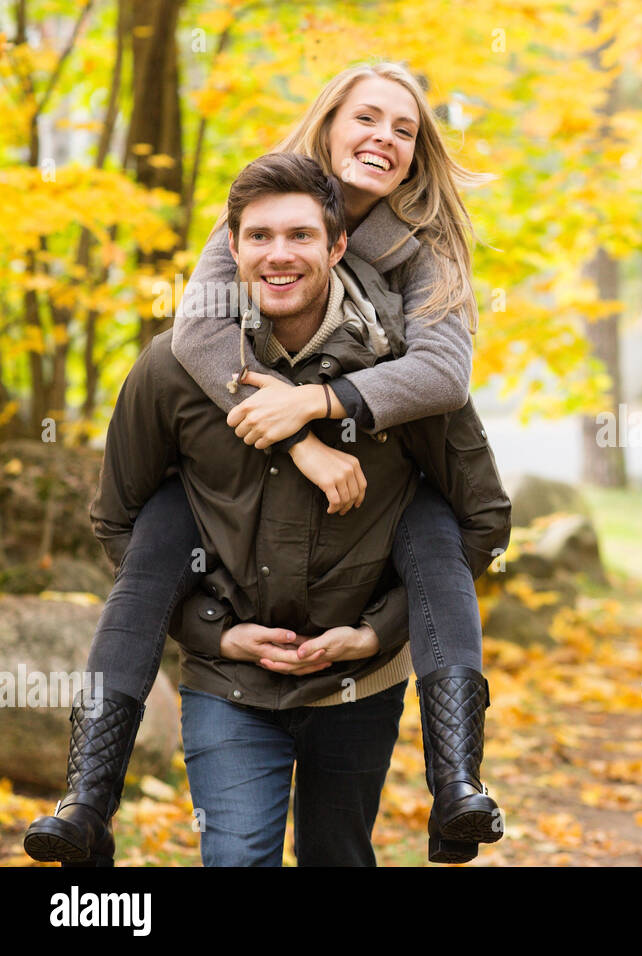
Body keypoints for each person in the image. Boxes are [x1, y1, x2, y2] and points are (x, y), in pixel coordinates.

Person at [24, 61, 503, 865]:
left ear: (338, 243)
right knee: (165, 521)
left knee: (428, 520)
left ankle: (459, 784)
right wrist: (298, 441)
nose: (384, 138)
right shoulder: (257, 216)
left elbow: (444, 381)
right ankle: (88, 803)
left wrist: (320, 405)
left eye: (404, 129)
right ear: (326, 123)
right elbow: (193, 339)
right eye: (366, 118)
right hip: (231, 663)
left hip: (358, 647)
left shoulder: (425, 251)